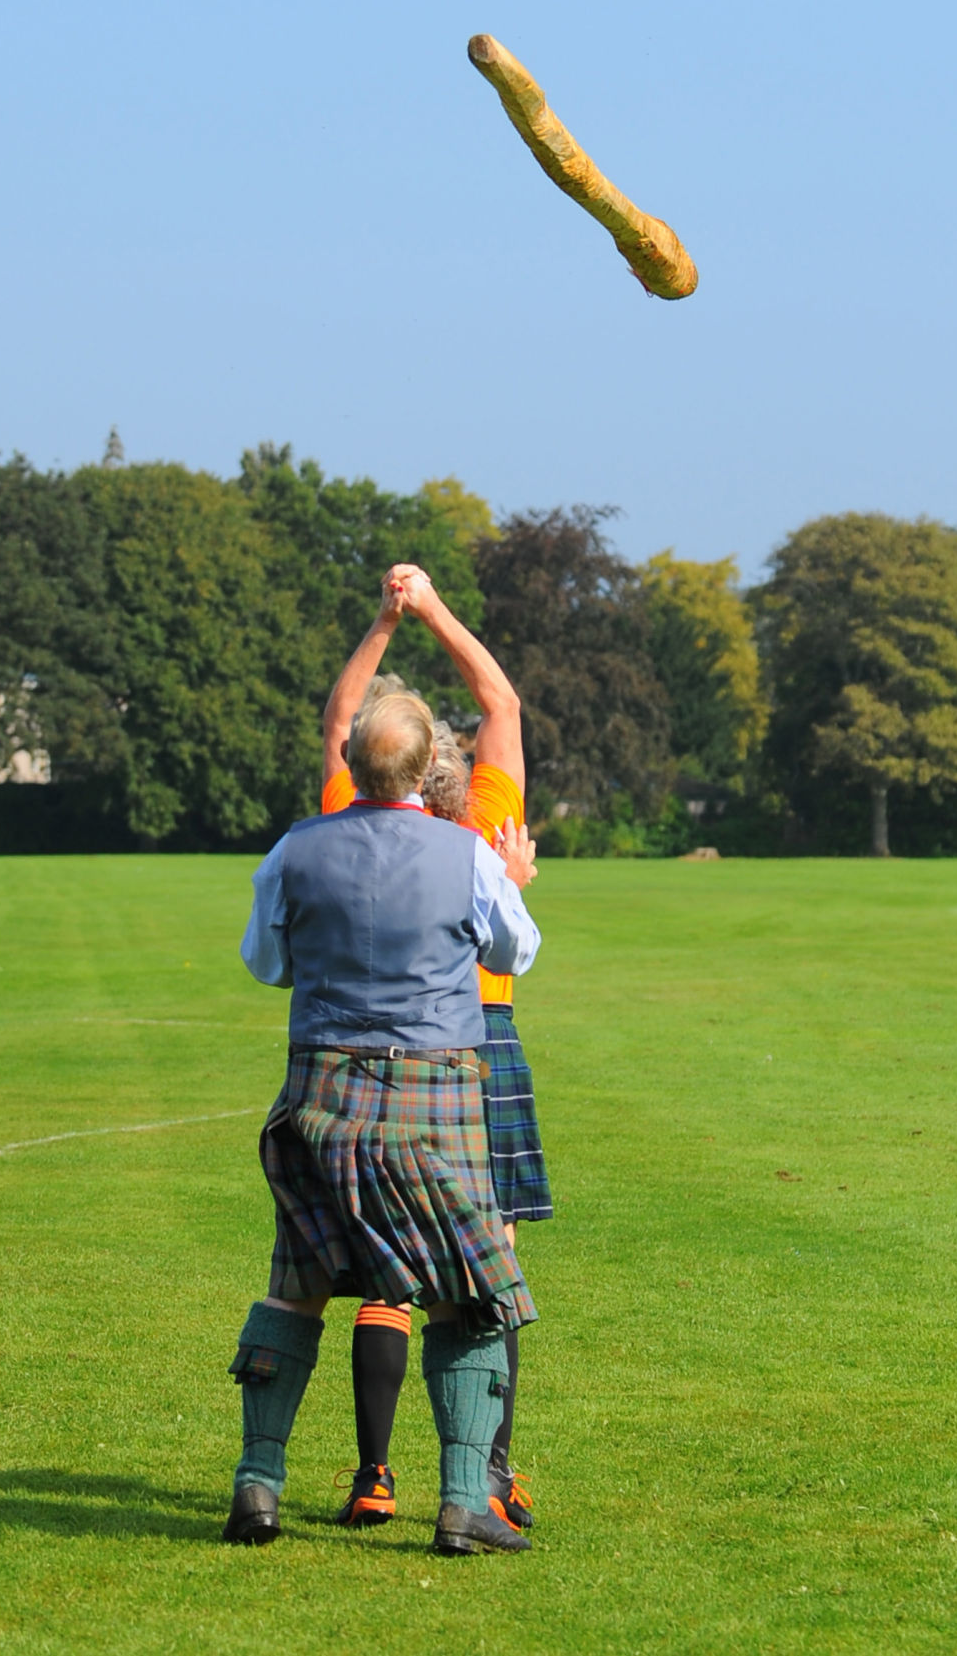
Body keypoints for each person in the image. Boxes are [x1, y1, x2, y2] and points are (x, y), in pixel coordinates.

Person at [225, 680, 541, 1555]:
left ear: (352, 760)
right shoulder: (466, 852)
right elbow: (515, 950)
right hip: (434, 1093)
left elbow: (266, 963)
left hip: (319, 1090)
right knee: (465, 1297)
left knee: (296, 1286)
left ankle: (257, 1483)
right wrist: (509, 883)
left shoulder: (293, 849)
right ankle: (464, 1502)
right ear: (429, 762)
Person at [322, 567, 551, 1534]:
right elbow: (502, 702)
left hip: (371, 1046)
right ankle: (485, 1477)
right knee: (487, 1263)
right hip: (478, 1044)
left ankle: (375, 1473)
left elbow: (342, 721)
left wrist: (386, 619)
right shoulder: (486, 824)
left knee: (386, 1265)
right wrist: (431, 607)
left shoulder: (357, 814)